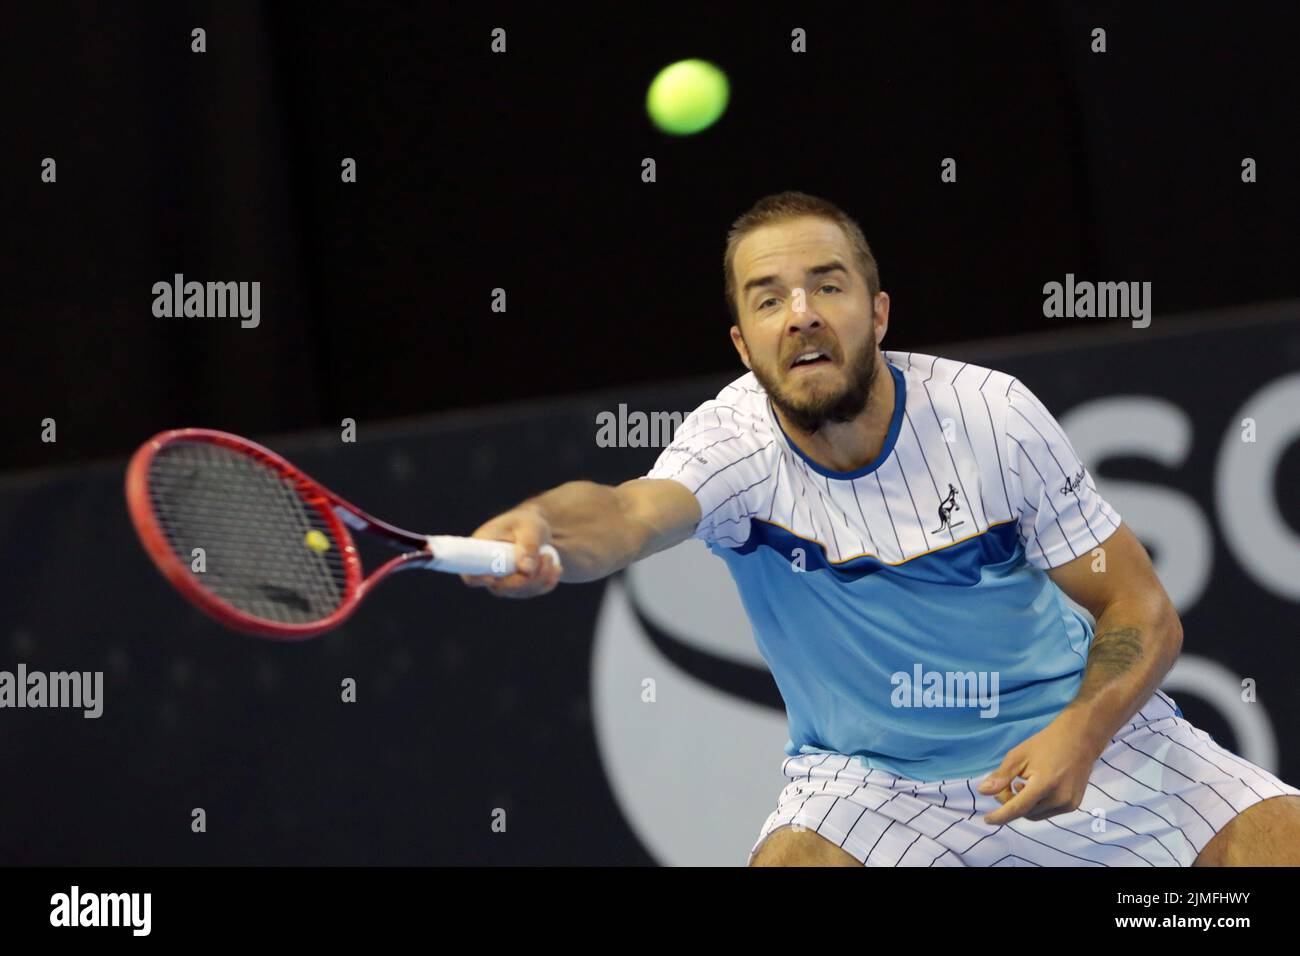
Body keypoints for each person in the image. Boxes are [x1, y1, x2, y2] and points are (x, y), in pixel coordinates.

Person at [461, 190, 1300, 866]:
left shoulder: (991, 418)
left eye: (826, 285)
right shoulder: (731, 448)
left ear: (879, 311)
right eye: (769, 299)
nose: (801, 314)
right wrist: (540, 524)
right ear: (744, 345)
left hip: (1089, 743)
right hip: (878, 791)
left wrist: (1080, 733)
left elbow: (1142, 609)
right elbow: (624, 513)